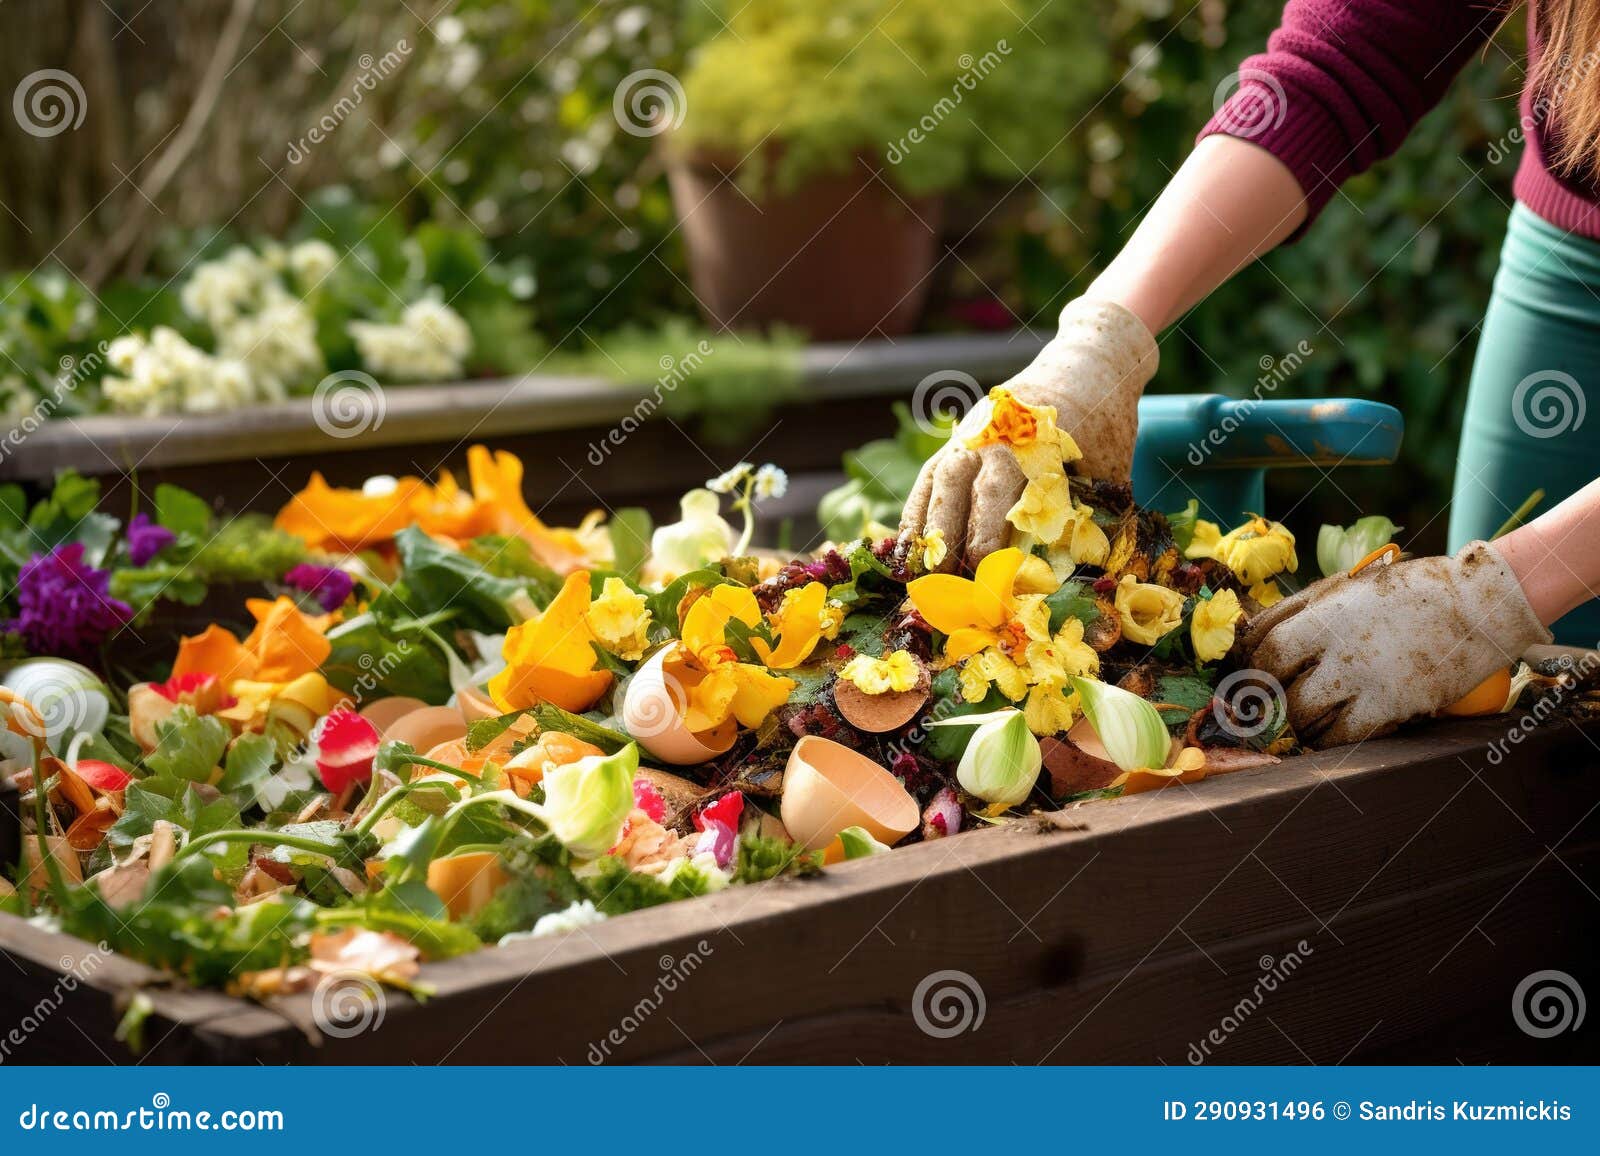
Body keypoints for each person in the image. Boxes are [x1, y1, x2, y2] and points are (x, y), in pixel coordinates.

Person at [902, 0, 1600, 746]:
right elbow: (1341, 61)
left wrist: (1498, 596)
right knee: (1514, 731)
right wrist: (1100, 339)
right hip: (1582, 224)